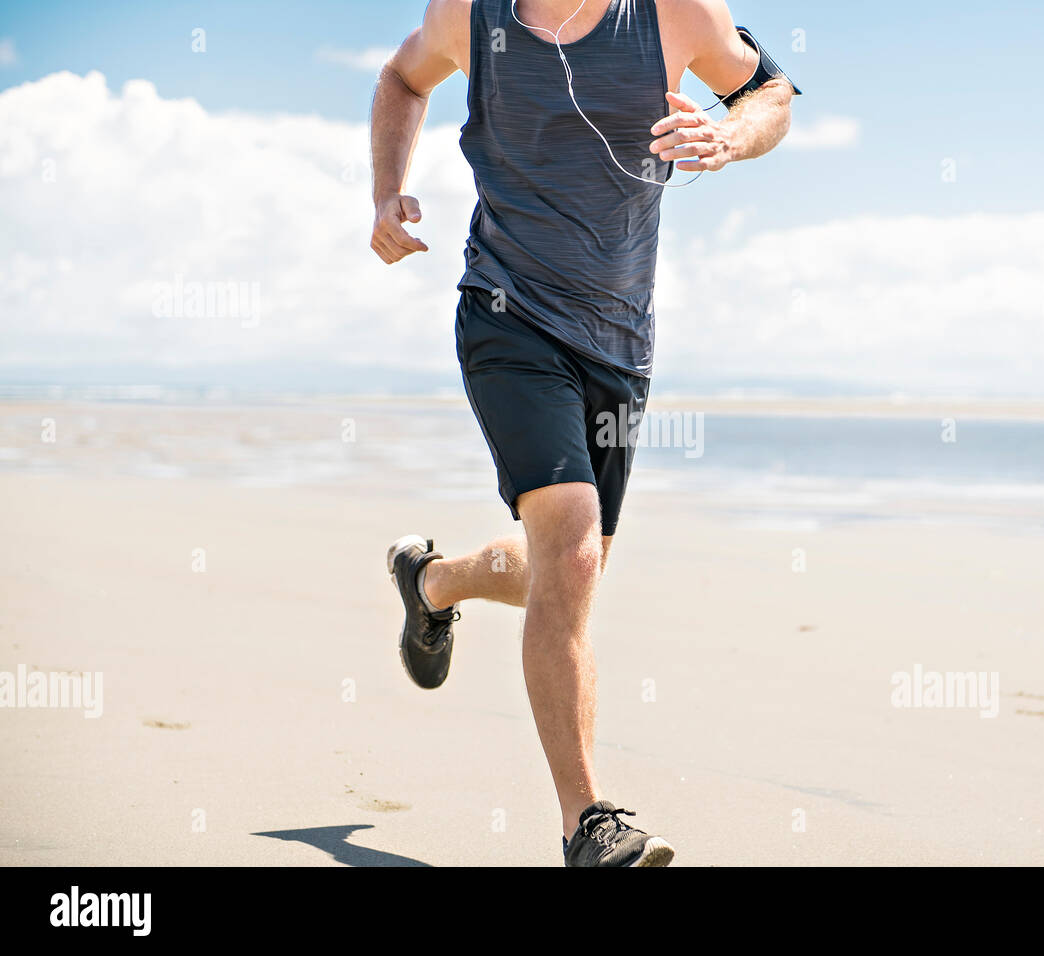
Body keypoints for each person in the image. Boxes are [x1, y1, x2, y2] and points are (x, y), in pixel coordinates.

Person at [370, 0, 797, 866]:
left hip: (620, 341)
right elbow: (400, 78)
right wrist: (386, 192)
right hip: (506, 317)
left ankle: (436, 583)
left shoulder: (675, 12)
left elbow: (773, 93)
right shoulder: (470, 15)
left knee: (575, 568)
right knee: (568, 553)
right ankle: (588, 823)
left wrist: (728, 137)